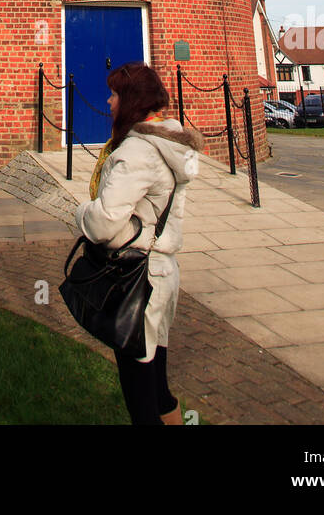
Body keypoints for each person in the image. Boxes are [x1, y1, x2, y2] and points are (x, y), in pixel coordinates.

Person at [75, 61, 203, 426]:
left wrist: (80, 211)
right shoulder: (168, 142)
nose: (109, 100)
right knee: (158, 388)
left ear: (130, 101)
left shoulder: (136, 153)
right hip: (163, 273)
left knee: (140, 398)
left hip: (138, 281)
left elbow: (103, 223)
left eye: (115, 93)